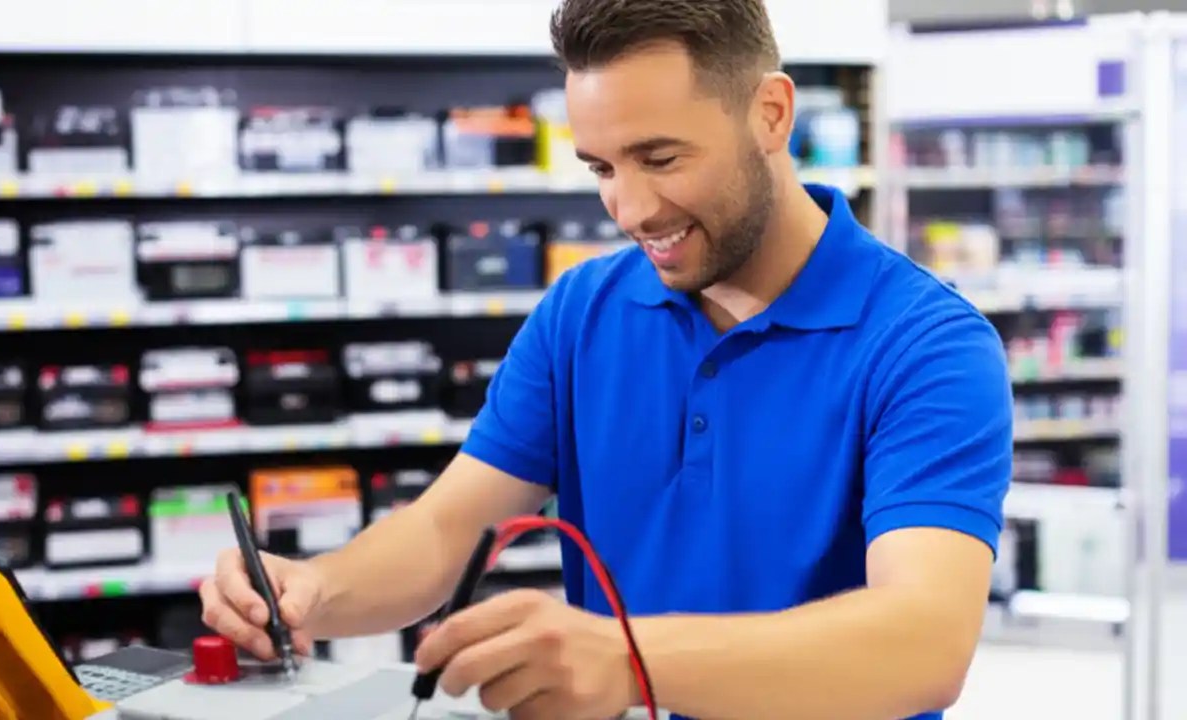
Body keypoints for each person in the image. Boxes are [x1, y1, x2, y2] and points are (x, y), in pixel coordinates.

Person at [199, 0, 1014, 718]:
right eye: (601, 167)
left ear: (770, 114)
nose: (629, 208)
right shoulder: (582, 311)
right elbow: (446, 530)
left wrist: (628, 664)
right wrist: (312, 590)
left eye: (660, 159)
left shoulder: (926, 346)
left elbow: (923, 644)